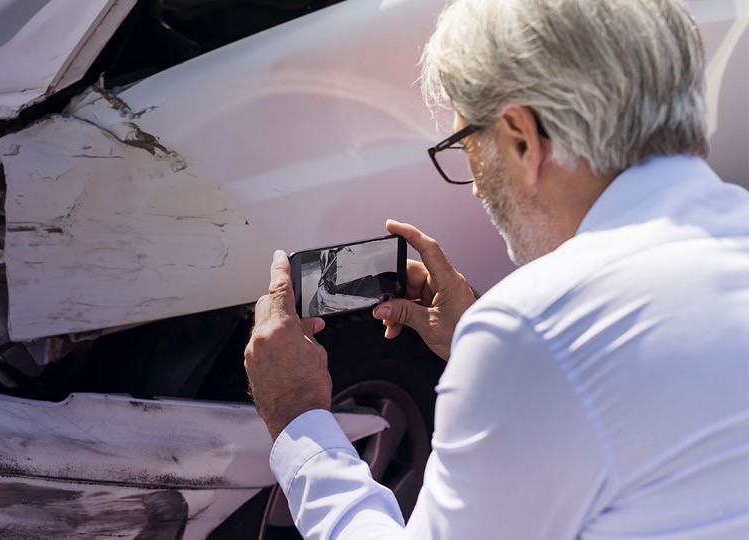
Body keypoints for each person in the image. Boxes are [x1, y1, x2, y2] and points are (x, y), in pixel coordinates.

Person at [243, 0, 749, 538]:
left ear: (521, 137)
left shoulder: (535, 330)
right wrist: (478, 343)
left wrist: (299, 420)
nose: (477, 183)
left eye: (466, 146)